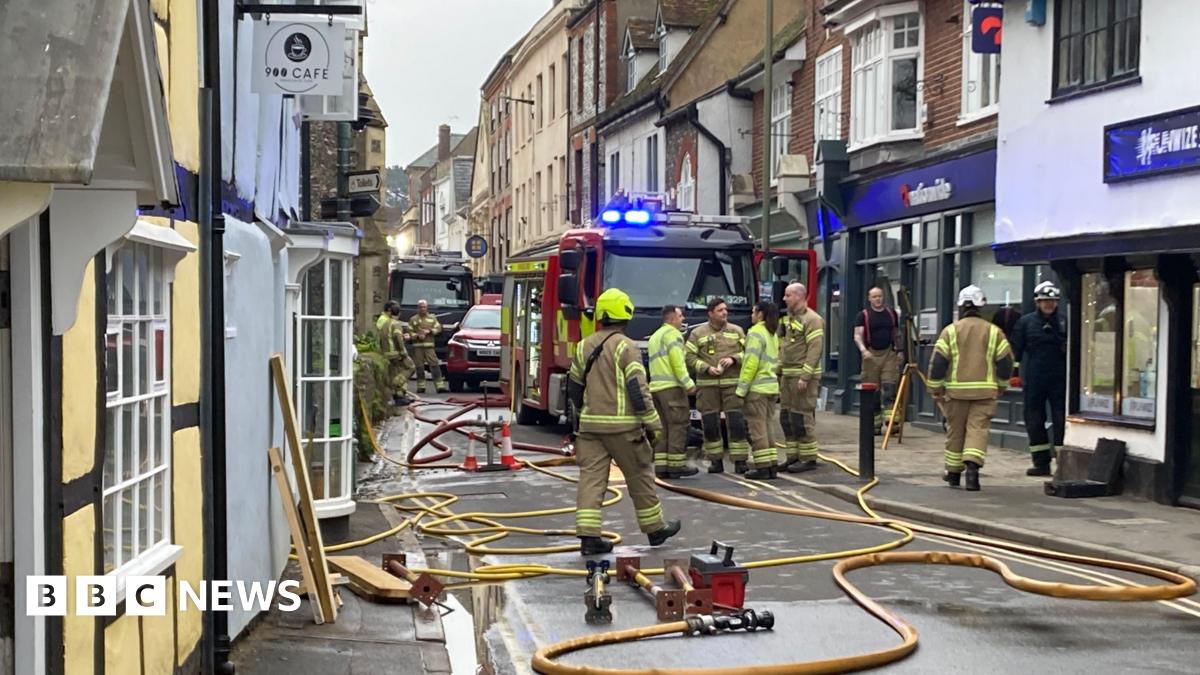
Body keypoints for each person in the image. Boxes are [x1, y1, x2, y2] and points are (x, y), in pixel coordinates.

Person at [567, 288, 681, 555]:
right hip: (624, 428)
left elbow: (573, 387)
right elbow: (638, 391)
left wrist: (583, 414)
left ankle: (589, 538)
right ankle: (654, 529)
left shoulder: (584, 345)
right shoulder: (626, 346)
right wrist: (653, 424)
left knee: (591, 480)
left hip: (591, 428)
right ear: (625, 314)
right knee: (639, 475)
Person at [927, 285, 1015, 492]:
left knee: (955, 431)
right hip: (985, 392)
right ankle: (973, 473)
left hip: (956, 393)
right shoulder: (994, 332)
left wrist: (935, 388)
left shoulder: (950, 331)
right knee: (978, 430)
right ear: (981, 306)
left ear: (961, 306)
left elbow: (938, 363)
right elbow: (1006, 363)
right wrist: (1002, 385)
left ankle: (954, 474)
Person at [685, 298, 749, 474]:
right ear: (710, 313)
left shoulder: (737, 331)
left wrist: (734, 359)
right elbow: (689, 357)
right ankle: (715, 461)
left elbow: (749, 353)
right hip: (708, 385)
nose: (725, 313)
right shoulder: (698, 333)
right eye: (720, 310)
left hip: (732, 385)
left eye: (725, 309)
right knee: (710, 422)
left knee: (736, 421)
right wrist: (707, 368)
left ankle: (740, 461)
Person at [1011, 281, 1067, 476]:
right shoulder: (1026, 323)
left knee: (1061, 419)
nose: (1048, 305)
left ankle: (1063, 463)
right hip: (1034, 377)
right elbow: (1015, 349)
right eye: (1044, 301)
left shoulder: (1064, 322)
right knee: (1034, 419)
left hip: (1060, 378)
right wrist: (1014, 374)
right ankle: (1041, 462)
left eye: (1051, 301)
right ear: (1037, 302)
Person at [647, 305, 699, 479]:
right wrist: (688, 383)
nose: (683, 319)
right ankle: (676, 465)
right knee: (679, 426)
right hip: (672, 388)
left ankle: (662, 466)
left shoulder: (655, 336)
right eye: (680, 316)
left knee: (663, 428)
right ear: (671, 319)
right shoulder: (673, 335)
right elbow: (677, 361)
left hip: (656, 388)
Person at [778, 283, 824, 473]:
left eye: (788, 295)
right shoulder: (787, 318)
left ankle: (808, 458)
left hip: (802, 377)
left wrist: (805, 376)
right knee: (786, 417)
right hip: (787, 376)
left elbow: (815, 349)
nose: (784, 298)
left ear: (799, 296)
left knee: (801, 417)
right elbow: (783, 345)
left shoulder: (812, 319)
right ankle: (793, 456)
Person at [736, 301, 781, 480]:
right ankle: (771, 466)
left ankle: (762, 467)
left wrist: (741, 389)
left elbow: (750, 363)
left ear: (760, 314)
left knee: (757, 428)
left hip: (757, 389)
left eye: (754, 312)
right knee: (768, 426)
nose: (751, 315)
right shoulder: (772, 334)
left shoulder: (755, 333)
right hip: (771, 386)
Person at [854, 287, 905, 435]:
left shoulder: (891, 313)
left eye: (880, 296)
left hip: (889, 353)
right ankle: (874, 425)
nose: (878, 299)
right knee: (873, 392)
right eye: (875, 297)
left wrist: (900, 351)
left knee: (890, 388)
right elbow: (857, 335)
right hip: (871, 355)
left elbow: (896, 333)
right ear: (869, 299)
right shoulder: (863, 315)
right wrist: (863, 350)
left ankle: (892, 423)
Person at [376, 302, 414, 406]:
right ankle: (396, 385)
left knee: (395, 372)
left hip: (385, 353)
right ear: (399, 313)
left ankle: (398, 397)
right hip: (395, 353)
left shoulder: (386, 323)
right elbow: (398, 338)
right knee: (410, 367)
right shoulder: (396, 323)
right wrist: (403, 352)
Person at [408, 299, 447, 394]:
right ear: (418, 308)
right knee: (419, 367)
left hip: (429, 347)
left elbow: (438, 328)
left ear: (427, 308)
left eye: (424, 307)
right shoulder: (413, 319)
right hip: (418, 347)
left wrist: (430, 331)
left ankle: (440, 386)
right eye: (421, 307)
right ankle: (421, 387)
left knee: (434, 365)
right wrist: (417, 335)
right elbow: (409, 332)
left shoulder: (432, 318)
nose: (423, 309)